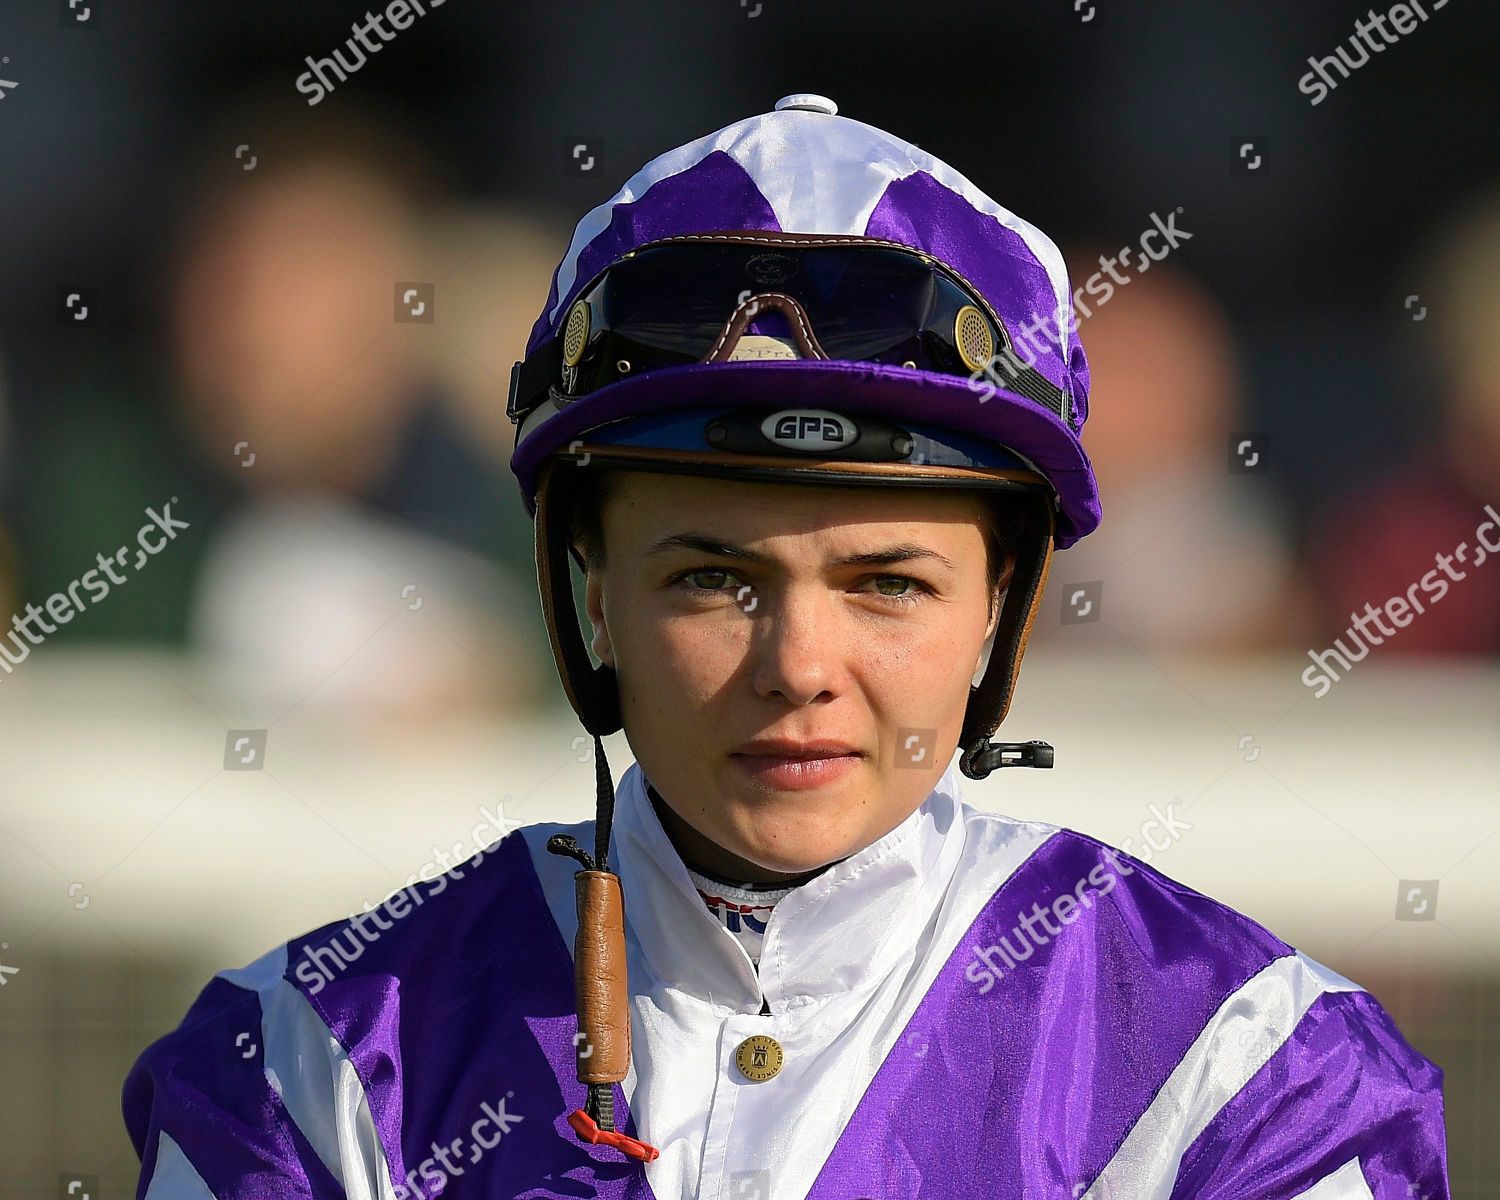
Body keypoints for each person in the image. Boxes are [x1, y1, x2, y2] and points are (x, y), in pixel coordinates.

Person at [122, 94, 1449, 1199]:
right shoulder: (302, 1067)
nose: (799, 664)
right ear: (589, 594)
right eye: (712, 577)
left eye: (887, 583)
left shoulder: (1257, 1082)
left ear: (1005, 607)